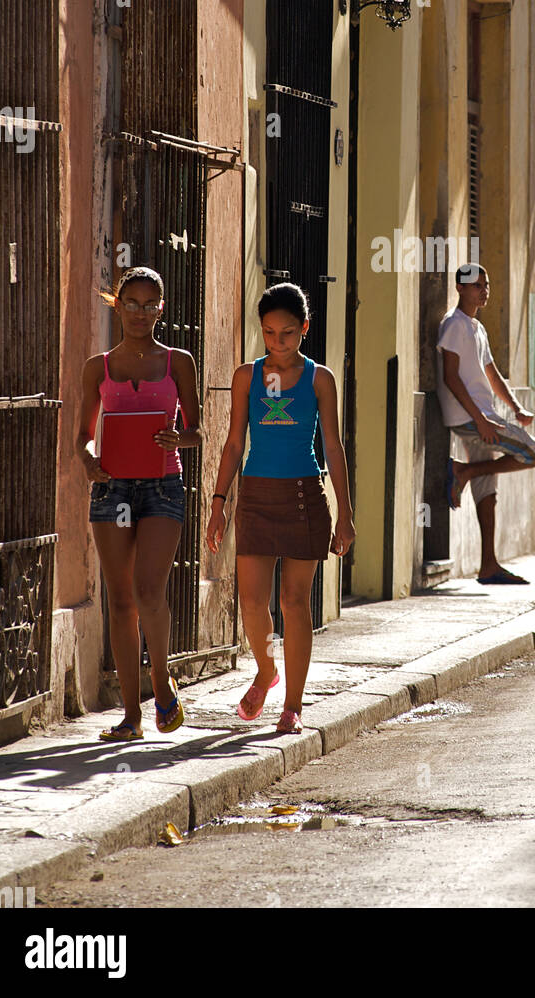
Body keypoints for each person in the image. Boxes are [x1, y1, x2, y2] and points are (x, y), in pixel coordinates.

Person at [206, 283, 355, 732]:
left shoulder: (320, 379)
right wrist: (218, 502)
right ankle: (267, 671)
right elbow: (235, 443)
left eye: (288, 332)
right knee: (252, 602)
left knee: (294, 601)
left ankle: (293, 704)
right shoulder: (247, 377)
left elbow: (333, 444)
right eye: (270, 333)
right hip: (254, 497)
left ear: (304, 329)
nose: (278, 342)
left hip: (303, 497)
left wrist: (345, 513)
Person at [77, 265, 201, 742]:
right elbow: (83, 438)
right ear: (117, 305)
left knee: (150, 590)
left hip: (162, 485)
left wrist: (178, 437)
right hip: (112, 489)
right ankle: (131, 718)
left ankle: (161, 678)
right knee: (121, 598)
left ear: (161, 310)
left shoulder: (178, 362)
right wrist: (89, 462)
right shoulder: (98, 367)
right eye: (131, 303)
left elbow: (196, 429)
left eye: (150, 305)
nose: (140, 313)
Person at [437, 263, 535, 585]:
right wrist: (480, 418)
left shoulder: (477, 328)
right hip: (470, 420)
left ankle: (488, 566)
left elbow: (492, 373)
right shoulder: (454, 325)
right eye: (476, 285)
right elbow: (450, 376)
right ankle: (464, 472)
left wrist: (516, 407)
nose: (483, 290)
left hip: (481, 417)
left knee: (488, 492)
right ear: (460, 288)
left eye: (486, 285)